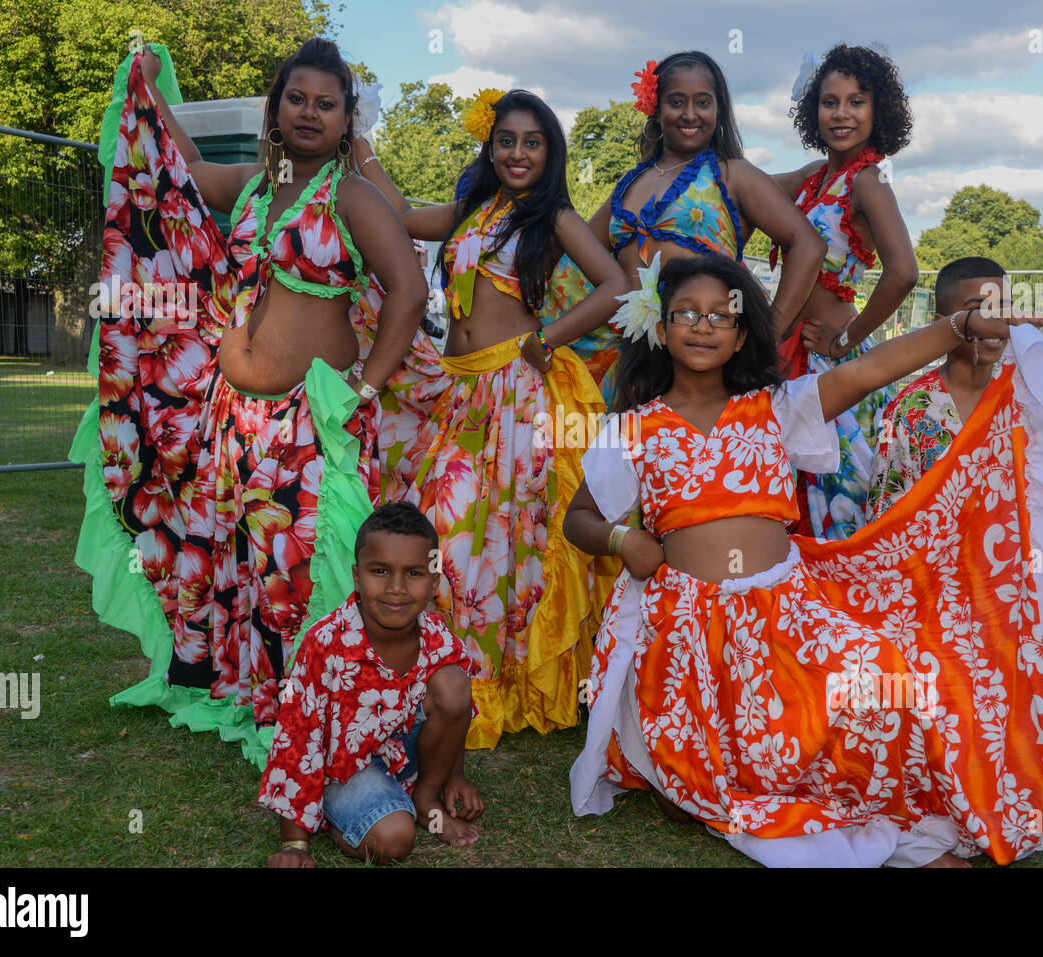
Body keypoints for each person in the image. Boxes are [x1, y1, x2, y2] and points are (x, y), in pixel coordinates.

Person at [566, 253, 1043, 867]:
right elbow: (579, 519)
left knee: (884, 677)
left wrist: (958, 327)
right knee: (691, 790)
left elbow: (870, 370)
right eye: (686, 314)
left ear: (742, 332)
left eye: (720, 316)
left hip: (785, 615)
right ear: (662, 328)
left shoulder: (777, 407)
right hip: (689, 635)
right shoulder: (634, 429)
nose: (703, 326)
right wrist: (624, 541)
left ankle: (883, 806)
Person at [70, 40, 435, 766]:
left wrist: (363, 389)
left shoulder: (353, 198)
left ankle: (321, 708)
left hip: (310, 417)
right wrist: (153, 95)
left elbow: (410, 291)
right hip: (232, 418)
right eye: (295, 99)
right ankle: (250, 687)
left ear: (344, 119)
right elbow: (186, 173)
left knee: (306, 569)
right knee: (242, 563)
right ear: (276, 109)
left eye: (325, 103)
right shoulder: (257, 186)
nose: (308, 112)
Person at [376, 90, 629, 748]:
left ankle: (486, 680)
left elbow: (618, 287)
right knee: (436, 523)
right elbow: (397, 217)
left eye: (532, 142)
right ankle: (437, 672)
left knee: (483, 540)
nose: (518, 153)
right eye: (507, 140)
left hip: (512, 395)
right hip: (456, 390)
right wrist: (359, 149)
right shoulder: (469, 211)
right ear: (490, 149)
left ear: (550, 153)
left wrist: (550, 337)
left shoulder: (555, 218)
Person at [866, 257, 1043, 713]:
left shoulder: (1028, 395)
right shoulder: (913, 411)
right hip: (942, 595)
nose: (993, 321)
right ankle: (977, 716)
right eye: (979, 308)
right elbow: (885, 525)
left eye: (1003, 308)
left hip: (1027, 584)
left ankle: (1007, 716)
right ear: (946, 323)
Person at [547, 51, 826, 404]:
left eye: (703, 102)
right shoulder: (630, 183)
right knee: (623, 456)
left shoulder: (732, 175)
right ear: (656, 108)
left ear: (719, 110)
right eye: (676, 102)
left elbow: (808, 245)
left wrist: (767, 333)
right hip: (625, 365)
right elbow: (578, 253)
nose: (690, 114)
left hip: (701, 362)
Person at [260, 502, 482, 867]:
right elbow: (297, 741)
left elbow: (456, 709)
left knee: (454, 683)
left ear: (434, 581)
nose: (396, 588)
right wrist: (294, 846)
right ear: (357, 577)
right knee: (394, 840)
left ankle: (425, 800)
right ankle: (341, 818)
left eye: (413, 573)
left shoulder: (437, 634)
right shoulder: (326, 644)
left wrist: (454, 776)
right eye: (380, 571)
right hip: (344, 769)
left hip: (406, 758)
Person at [770, 44, 919, 540]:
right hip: (789, 355)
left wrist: (846, 339)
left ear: (879, 111)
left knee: (839, 511)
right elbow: (748, 186)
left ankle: (845, 613)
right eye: (829, 101)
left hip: (828, 362)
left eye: (857, 102)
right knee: (786, 496)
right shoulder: (817, 178)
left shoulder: (869, 183)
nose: (841, 114)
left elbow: (904, 273)